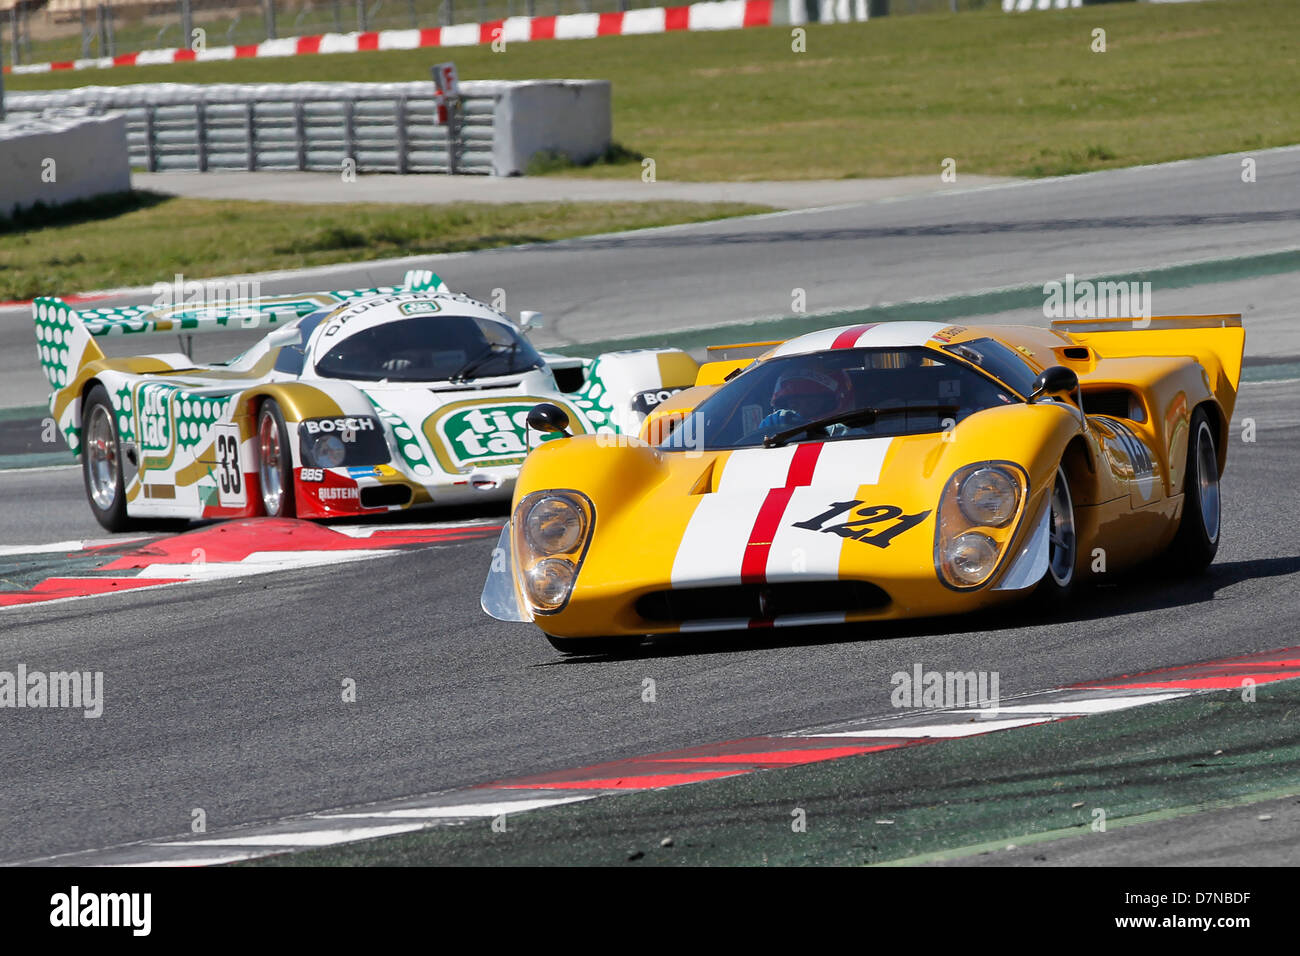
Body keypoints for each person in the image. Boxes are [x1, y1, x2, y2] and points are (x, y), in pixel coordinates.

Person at [757, 366, 852, 437]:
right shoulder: (774, 423)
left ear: (830, 404)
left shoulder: (852, 437)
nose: (802, 411)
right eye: (794, 405)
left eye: (811, 404)